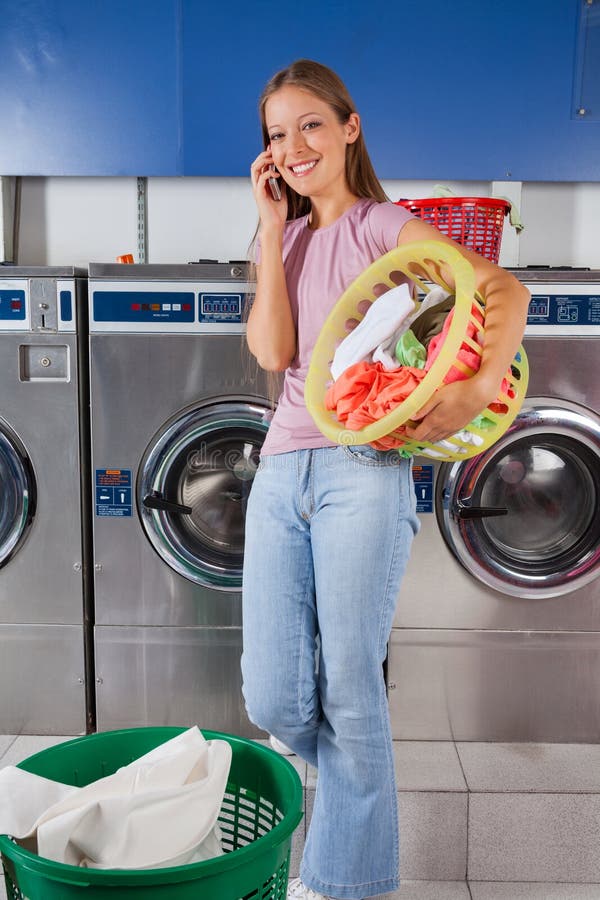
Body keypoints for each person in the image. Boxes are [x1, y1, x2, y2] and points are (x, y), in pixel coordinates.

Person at [241, 59, 530, 900]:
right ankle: (347, 848)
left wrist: (477, 385)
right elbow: (272, 355)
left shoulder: (381, 225)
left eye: (310, 126)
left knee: (352, 685)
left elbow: (501, 289)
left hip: (364, 471)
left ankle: (342, 883)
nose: (293, 148)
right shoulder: (288, 238)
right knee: (276, 697)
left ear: (349, 127)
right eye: (275, 135)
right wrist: (268, 231)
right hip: (282, 469)